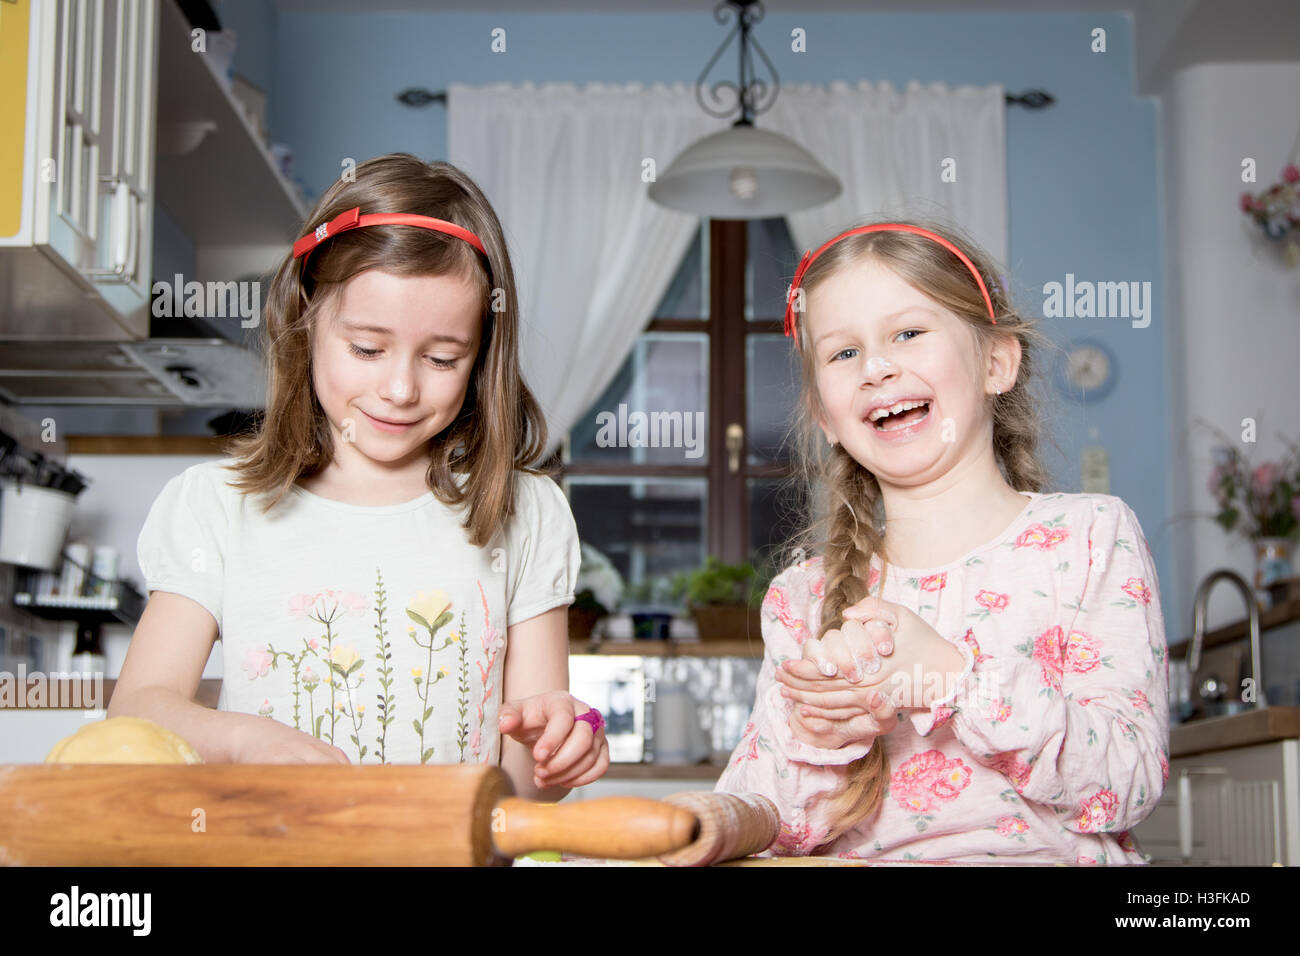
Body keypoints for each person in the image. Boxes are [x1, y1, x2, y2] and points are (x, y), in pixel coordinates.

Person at [109, 154, 609, 799]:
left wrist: (563, 744)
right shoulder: (216, 505)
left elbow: (524, 782)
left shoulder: (526, 510)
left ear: (482, 353)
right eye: (367, 349)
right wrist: (240, 738)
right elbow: (138, 710)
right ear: (305, 318)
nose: (400, 389)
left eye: (441, 357)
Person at [716, 220, 1168, 863]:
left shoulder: (1090, 538)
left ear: (996, 362)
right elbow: (778, 820)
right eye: (843, 353)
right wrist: (757, 790)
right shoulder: (802, 596)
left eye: (907, 333)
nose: (875, 367)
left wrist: (954, 679)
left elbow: (1128, 784)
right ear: (827, 417)